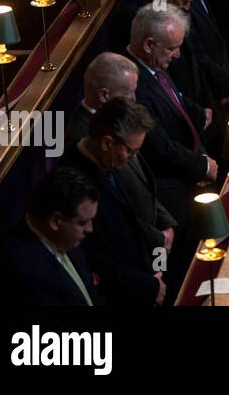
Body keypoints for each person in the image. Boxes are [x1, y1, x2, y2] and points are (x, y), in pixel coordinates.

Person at [60, 99, 170, 306]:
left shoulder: (109, 162)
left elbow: (133, 220)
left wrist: (156, 264)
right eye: (130, 151)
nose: (133, 158)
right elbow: (93, 259)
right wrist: (147, 285)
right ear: (107, 142)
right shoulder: (74, 182)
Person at [127, 7, 218, 231]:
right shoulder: (133, 86)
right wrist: (202, 165)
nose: (177, 55)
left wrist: (200, 115)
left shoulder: (154, 65)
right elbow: (159, 146)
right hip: (171, 193)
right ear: (149, 45)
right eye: (171, 48)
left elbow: (176, 100)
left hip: (189, 174)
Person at [0, 167, 101, 306]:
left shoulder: (65, 238)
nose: (90, 229)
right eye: (83, 222)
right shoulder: (21, 270)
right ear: (55, 221)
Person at [70, 52, 139, 145]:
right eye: (128, 92)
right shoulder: (85, 139)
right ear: (103, 95)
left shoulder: (115, 115)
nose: (134, 98)